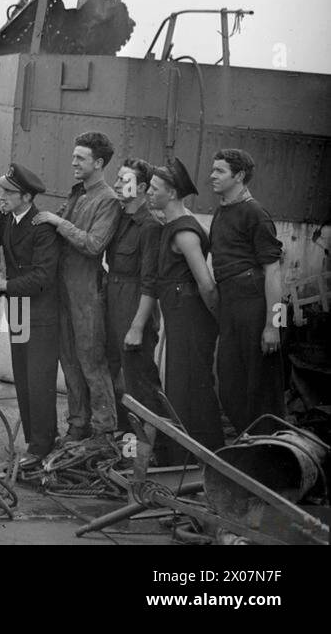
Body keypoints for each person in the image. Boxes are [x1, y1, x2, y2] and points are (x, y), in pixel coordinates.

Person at [125, 158, 224, 458]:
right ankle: (188, 457)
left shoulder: (184, 233)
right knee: (182, 389)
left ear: (171, 193)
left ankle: (206, 458)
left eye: (154, 188)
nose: (149, 193)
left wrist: (219, 321)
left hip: (191, 319)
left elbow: (206, 285)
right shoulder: (171, 226)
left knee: (193, 389)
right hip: (180, 315)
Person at [33, 131, 121, 450]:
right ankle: (78, 424)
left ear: (98, 163)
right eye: (74, 156)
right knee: (69, 360)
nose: (73, 162)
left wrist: (58, 222)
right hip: (64, 292)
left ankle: (104, 430)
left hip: (87, 295)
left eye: (80, 157)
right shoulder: (78, 193)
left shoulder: (108, 200)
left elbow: (94, 244)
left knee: (91, 363)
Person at [0, 163, 60, 470]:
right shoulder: (6, 219)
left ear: (26, 197)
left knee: (39, 383)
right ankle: (33, 443)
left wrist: (5, 285)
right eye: (2, 190)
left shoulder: (42, 228)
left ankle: (42, 446)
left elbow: (43, 277)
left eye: (8, 192)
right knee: (24, 382)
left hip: (40, 315)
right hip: (19, 313)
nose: (2, 196)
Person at [208, 148, 286, 433]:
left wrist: (273, 327)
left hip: (255, 307)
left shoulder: (255, 213)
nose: (211, 175)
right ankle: (247, 444)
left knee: (263, 388)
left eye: (219, 171)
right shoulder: (222, 211)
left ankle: (272, 453)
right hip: (231, 306)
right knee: (230, 385)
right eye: (212, 169)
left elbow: (274, 271)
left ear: (239, 176)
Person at [104, 158, 166, 438]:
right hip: (113, 300)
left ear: (141, 187)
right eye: (116, 178)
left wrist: (138, 326)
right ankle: (124, 441)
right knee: (118, 380)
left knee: (138, 382)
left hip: (134, 305)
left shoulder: (150, 226)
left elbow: (150, 282)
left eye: (123, 179)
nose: (116, 184)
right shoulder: (119, 217)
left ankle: (150, 449)